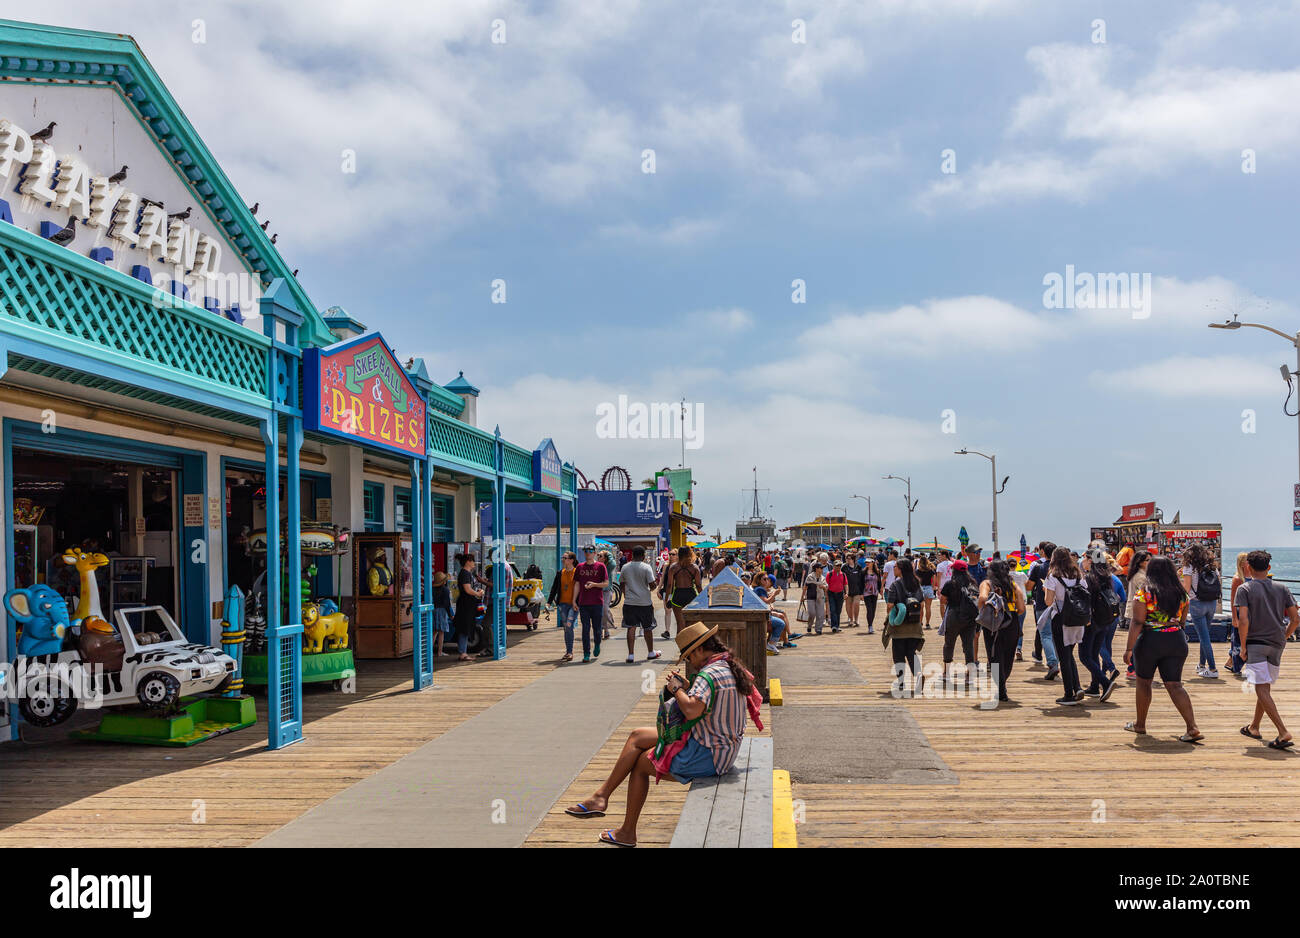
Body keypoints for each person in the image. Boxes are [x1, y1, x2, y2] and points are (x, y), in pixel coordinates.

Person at [566, 622, 760, 847]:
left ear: (698, 650)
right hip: (721, 745)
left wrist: (677, 690)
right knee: (637, 735)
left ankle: (627, 832)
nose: (689, 662)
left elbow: (691, 710)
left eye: (688, 657)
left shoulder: (709, 674)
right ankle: (601, 797)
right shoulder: (726, 665)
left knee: (640, 764)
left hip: (710, 754)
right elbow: (704, 706)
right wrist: (687, 688)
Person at [1123, 555, 1202, 742]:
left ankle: (1140, 724)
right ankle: (1192, 727)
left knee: (1143, 682)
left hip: (1150, 640)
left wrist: (1128, 649)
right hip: (1176, 639)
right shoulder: (1181, 593)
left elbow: (1137, 621)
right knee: (1175, 685)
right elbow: (1182, 620)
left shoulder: (1144, 592)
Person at [1235, 550, 1300, 748]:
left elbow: (1243, 620)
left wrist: (1243, 646)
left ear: (1248, 568)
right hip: (1277, 643)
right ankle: (1254, 726)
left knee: (1261, 687)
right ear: (1269, 567)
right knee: (1265, 686)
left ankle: (1283, 732)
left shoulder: (1244, 589)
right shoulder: (1282, 588)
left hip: (1256, 642)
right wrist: (1285, 636)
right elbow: (1295, 619)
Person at [1042, 546, 1086, 706]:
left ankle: (1069, 694)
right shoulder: (1078, 574)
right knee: (1069, 654)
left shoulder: (1052, 576)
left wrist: (1046, 589)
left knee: (1063, 657)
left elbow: (1048, 601)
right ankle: (1077, 687)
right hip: (1077, 618)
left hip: (1060, 619)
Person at [1079, 547, 1123, 701]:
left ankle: (1104, 682)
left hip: (1092, 621)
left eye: (1084, 559)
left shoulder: (1089, 578)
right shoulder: (1107, 577)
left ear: (1090, 561)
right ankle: (1094, 685)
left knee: (1084, 656)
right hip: (1106, 621)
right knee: (1094, 653)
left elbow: (1086, 600)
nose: (1082, 562)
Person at [979, 559, 1025, 703]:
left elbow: (982, 598)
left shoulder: (987, 584)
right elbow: (1022, 608)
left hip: (994, 623)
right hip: (1012, 623)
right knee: (1008, 655)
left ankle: (1000, 688)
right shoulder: (1013, 585)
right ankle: (1002, 685)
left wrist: (984, 610)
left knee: (994, 655)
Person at [884, 557, 926, 695]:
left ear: (901, 569)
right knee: (911, 653)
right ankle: (919, 674)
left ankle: (901, 682)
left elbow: (890, 605)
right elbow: (921, 605)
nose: (894, 569)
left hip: (899, 626)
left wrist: (891, 617)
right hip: (914, 625)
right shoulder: (916, 584)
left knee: (898, 655)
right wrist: (919, 621)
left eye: (896, 567)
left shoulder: (895, 585)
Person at [1180, 544, 1222, 679]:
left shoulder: (1189, 567)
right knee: (1205, 636)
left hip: (1197, 603)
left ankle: (1213, 669)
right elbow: (1219, 583)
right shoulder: (1212, 566)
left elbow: (1186, 589)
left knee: (1204, 638)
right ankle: (1201, 665)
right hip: (1211, 603)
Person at [939, 559, 981, 688]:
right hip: (970, 619)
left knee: (949, 644)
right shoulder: (973, 583)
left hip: (954, 615)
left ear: (954, 570)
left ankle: (946, 673)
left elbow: (942, 600)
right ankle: (969, 676)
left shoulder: (951, 584)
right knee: (968, 646)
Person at [620, 546, 661, 663]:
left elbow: (622, 584)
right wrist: (650, 588)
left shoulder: (625, 567)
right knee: (648, 628)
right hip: (644, 602)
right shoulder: (646, 567)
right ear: (643, 555)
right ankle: (651, 652)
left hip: (629, 602)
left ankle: (631, 655)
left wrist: (626, 594)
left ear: (632, 555)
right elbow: (652, 585)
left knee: (631, 627)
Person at [1026, 541, 1059, 680]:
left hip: (1042, 604)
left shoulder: (1038, 567)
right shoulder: (1061, 568)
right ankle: (1058, 661)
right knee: (1056, 636)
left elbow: (1028, 587)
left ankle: (1052, 663)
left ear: (1043, 552)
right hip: (1059, 606)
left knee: (1045, 634)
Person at [575, 545, 609, 663]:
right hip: (583, 603)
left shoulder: (600, 566)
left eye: (590, 551)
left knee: (597, 628)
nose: (588, 553)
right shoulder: (579, 567)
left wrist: (594, 584)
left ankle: (598, 644)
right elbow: (577, 584)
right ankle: (586, 653)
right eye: (586, 551)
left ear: (594, 553)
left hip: (597, 602)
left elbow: (606, 583)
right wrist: (574, 600)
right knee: (585, 628)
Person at [660, 546, 702, 640]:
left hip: (677, 595)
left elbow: (669, 585)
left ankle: (681, 648)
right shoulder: (694, 567)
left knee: (680, 623)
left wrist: (667, 599)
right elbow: (698, 585)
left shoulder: (673, 567)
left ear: (679, 555)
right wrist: (703, 598)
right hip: (691, 595)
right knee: (690, 623)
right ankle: (690, 646)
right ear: (690, 554)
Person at [547, 551, 580, 662]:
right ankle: (568, 651)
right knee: (566, 628)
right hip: (562, 604)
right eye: (563, 557)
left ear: (571, 560)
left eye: (565, 558)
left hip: (574, 604)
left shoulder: (577, 572)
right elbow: (554, 588)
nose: (563, 559)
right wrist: (549, 602)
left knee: (569, 625)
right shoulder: (560, 572)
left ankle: (570, 652)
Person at [1123, 551, 1150, 678]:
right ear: (1140, 563)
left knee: (1138, 640)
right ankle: (1132, 668)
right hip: (1138, 612)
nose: (1150, 562)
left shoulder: (1139, 574)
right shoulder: (1141, 577)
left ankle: (1134, 667)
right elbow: (1147, 594)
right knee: (1139, 641)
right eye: (1147, 560)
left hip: (1134, 610)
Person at [453, 553, 484, 662]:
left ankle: (463, 651)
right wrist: (477, 594)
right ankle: (463, 653)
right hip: (465, 605)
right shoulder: (465, 574)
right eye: (472, 561)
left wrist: (477, 592)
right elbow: (467, 589)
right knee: (464, 628)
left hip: (469, 604)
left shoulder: (468, 573)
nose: (474, 563)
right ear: (467, 562)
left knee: (466, 627)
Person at [1228, 551, 1251, 675]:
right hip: (1239, 611)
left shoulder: (1253, 577)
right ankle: (1236, 667)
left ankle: (1232, 662)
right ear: (1242, 563)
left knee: (1247, 639)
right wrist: (1234, 617)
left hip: (1250, 613)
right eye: (1248, 560)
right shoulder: (1238, 579)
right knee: (1237, 640)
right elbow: (1233, 600)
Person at [432, 569, 453, 658]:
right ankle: (440, 652)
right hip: (442, 611)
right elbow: (447, 604)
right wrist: (450, 614)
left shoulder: (432, 590)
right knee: (441, 633)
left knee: (434, 632)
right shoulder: (445, 590)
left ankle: (429, 651)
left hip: (434, 610)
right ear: (444, 582)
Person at [803, 562, 827, 634]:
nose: (822, 569)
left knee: (820, 614)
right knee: (812, 613)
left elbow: (826, 586)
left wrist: (823, 586)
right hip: (811, 597)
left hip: (820, 597)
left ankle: (818, 629)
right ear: (816, 569)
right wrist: (803, 596)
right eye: (821, 568)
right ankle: (809, 625)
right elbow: (805, 587)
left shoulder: (823, 578)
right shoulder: (810, 576)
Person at [825, 562, 847, 633]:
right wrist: (826, 595)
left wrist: (846, 593)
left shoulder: (843, 574)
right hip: (831, 593)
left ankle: (837, 625)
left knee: (838, 610)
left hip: (840, 594)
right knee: (833, 610)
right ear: (834, 566)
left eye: (840, 566)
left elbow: (846, 584)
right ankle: (834, 626)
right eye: (837, 566)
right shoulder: (829, 574)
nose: (838, 567)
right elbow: (826, 585)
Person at [916, 555, 936, 629]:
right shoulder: (931, 570)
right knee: (928, 607)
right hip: (928, 588)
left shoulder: (917, 571)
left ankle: (920, 623)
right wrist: (933, 587)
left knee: (920, 608)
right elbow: (934, 579)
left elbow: (918, 581)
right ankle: (927, 624)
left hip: (920, 588)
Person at [861, 560, 882, 634]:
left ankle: (871, 624)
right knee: (869, 610)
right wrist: (861, 594)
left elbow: (879, 582)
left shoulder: (877, 571)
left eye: (868, 562)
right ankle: (870, 626)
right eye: (866, 562)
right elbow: (860, 582)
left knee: (873, 610)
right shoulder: (863, 572)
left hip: (875, 593)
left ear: (872, 563)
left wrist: (880, 591)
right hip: (866, 593)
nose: (867, 564)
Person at [845, 558, 864, 627]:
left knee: (856, 604)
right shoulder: (844, 567)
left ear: (853, 559)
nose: (848, 560)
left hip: (857, 590)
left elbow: (862, 579)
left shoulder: (858, 567)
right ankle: (851, 619)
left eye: (850, 558)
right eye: (847, 558)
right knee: (848, 606)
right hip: (848, 590)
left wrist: (862, 592)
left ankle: (856, 619)